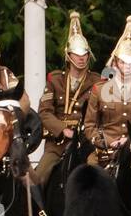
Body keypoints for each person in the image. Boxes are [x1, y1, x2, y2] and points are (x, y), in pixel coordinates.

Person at [35, 12, 100, 187]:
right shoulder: (55, 80)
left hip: (85, 142)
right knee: (38, 178)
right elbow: (45, 112)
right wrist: (62, 129)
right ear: (68, 55)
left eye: (84, 54)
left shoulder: (97, 81)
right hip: (58, 143)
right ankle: (37, 213)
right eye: (76, 54)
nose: (81, 58)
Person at [84, 16, 131, 169]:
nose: (127, 66)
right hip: (105, 153)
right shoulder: (99, 90)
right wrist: (107, 142)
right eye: (123, 62)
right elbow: (90, 126)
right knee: (90, 183)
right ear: (116, 62)